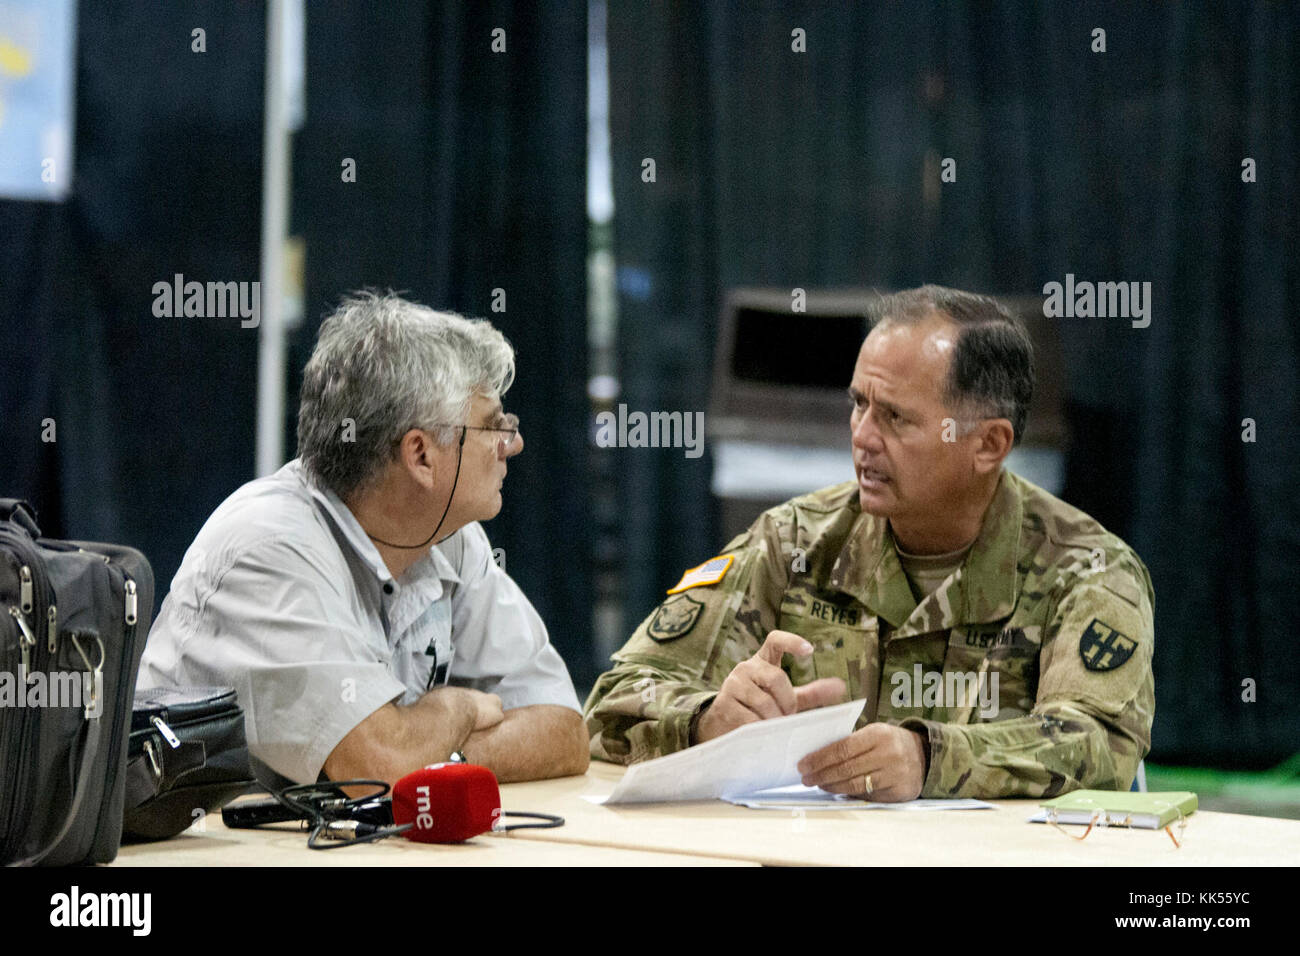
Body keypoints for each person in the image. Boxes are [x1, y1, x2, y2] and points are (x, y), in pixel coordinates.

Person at [585, 285, 1154, 801]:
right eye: (859, 404)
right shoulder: (793, 542)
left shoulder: (1087, 570)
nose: (861, 436)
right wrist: (707, 718)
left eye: (895, 417)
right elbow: (609, 704)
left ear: (988, 444)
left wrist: (930, 758)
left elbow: (1099, 744)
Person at [139, 292, 589, 788]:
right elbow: (375, 770)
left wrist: (431, 750)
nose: (513, 443)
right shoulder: (269, 547)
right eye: (491, 426)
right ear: (420, 456)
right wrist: (456, 709)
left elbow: (565, 730)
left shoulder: (450, 538)